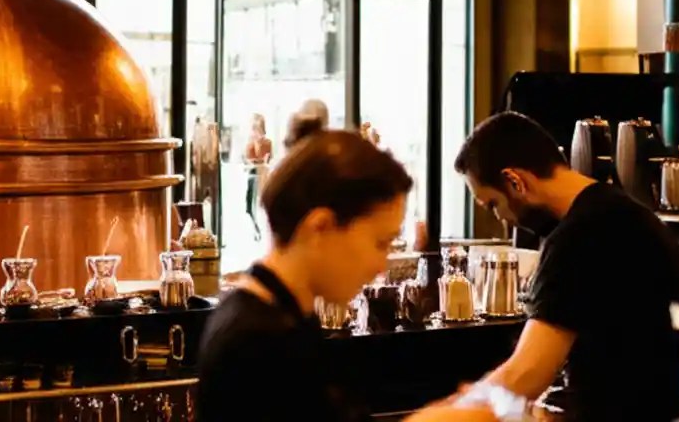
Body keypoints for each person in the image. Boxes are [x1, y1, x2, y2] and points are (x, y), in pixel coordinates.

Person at [198, 117, 494, 421]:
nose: (381, 266)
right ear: (320, 228)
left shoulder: (290, 315)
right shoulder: (255, 342)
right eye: (380, 242)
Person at [454, 111, 679, 421]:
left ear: (514, 181)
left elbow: (526, 375)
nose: (501, 219)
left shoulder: (580, 235)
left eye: (493, 204)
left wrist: (445, 414)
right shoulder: (621, 212)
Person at [243, 113, 273, 240]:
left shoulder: (267, 142)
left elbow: (265, 158)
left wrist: (258, 143)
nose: (256, 131)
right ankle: (255, 229)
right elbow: (248, 158)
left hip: (262, 176)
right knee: (250, 206)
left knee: (261, 205)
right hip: (251, 175)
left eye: (258, 128)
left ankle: (260, 231)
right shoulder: (250, 143)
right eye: (254, 128)